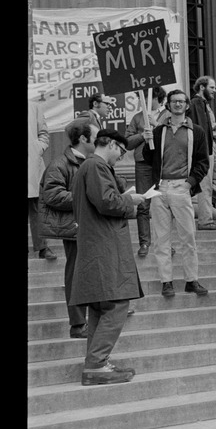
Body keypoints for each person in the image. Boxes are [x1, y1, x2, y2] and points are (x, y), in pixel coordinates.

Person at [69, 129, 146, 385]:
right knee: (116, 304)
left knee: (101, 308)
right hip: (104, 247)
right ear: (111, 144)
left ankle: (96, 363)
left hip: (97, 245)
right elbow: (107, 202)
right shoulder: (96, 166)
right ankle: (97, 364)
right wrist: (131, 200)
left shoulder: (89, 167)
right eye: (121, 152)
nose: (121, 158)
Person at [142, 89, 211, 298]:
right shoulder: (158, 130)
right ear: (168, 105)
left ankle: (191, 280)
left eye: (181, 101)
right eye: (174, 101)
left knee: (188, 237)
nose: (178, 105)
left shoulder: (196, 131)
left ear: (187, 105)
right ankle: (166, 282)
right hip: (160, 187)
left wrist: (189, 183)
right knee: (161, 239)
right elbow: (148, 159)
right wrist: (147, 142)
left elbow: (202, 162)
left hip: (181, 187)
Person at [39, 119, 97, 339]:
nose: (99, 139)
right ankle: (78, 324)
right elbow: (51, 195)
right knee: (76, 275)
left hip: (91, 225)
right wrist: (84, 197)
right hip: (74, 227)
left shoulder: (90, 161)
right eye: (95, 135)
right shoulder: (60, 163)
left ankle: (103, 310)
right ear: (83, 139)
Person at [125, 85, 168, 256]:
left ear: (159, 99)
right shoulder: (137, 118)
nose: (145, 101)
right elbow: (127, 142)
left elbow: (173, 136)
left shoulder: (168, 115)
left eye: (149, 98)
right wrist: (142, 136)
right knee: (143, 204)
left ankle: (164, 242)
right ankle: (144, 243)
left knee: (163, 204)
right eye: (140, 97)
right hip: (143, 163)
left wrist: (156, 125)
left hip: (163, 163)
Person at [188, 75, 216, 231]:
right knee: (205, 186)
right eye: (212, 87)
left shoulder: (201, 104)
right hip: (203, 152)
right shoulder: (197, 103)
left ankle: (205, 219)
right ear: (202, 87)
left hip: (205, 151)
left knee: (206, 186)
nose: (215, 91)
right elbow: (200, 129)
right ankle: (205, 220)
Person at [29, 100, 55, 259]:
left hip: (31, 163)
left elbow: (44, 133)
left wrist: (38, 148)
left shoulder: (34, 106)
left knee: (36, 208)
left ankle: (42, 247)